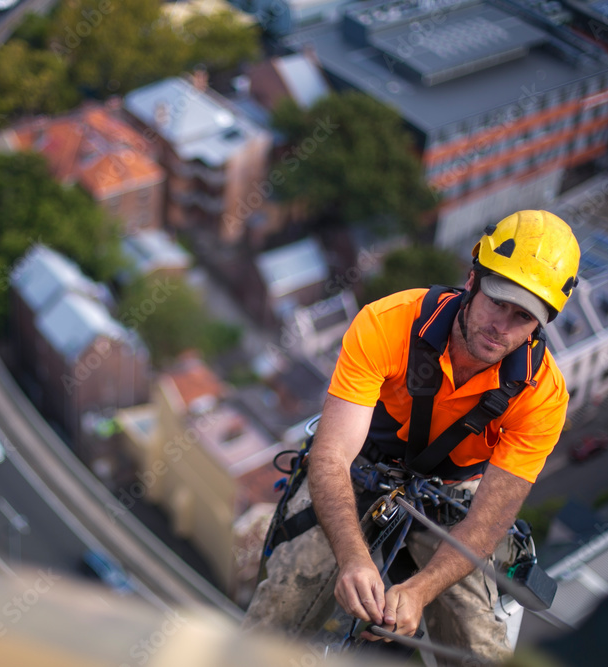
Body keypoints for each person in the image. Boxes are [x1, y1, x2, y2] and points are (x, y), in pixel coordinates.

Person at [243, 210, 581, 665]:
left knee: (481, 650)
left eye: (522, 317)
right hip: (362, 470)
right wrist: (352, 558)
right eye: (497, 301)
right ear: (472, 279)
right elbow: (331, 457)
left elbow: (487, 522)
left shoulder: (542, 396)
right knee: (282, 604)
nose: (501, 325)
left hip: (453, 495)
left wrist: (420, 591)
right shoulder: (388, 324)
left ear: (540, 325)